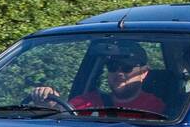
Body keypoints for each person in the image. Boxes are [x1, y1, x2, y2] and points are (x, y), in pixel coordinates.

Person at [30, 40, 166, 116]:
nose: (119, 73)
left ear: (144, 72)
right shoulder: (88, 101)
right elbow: (63, 117)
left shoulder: (155, 107)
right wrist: (48, 105)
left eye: (127, 68)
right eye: (112, 67)